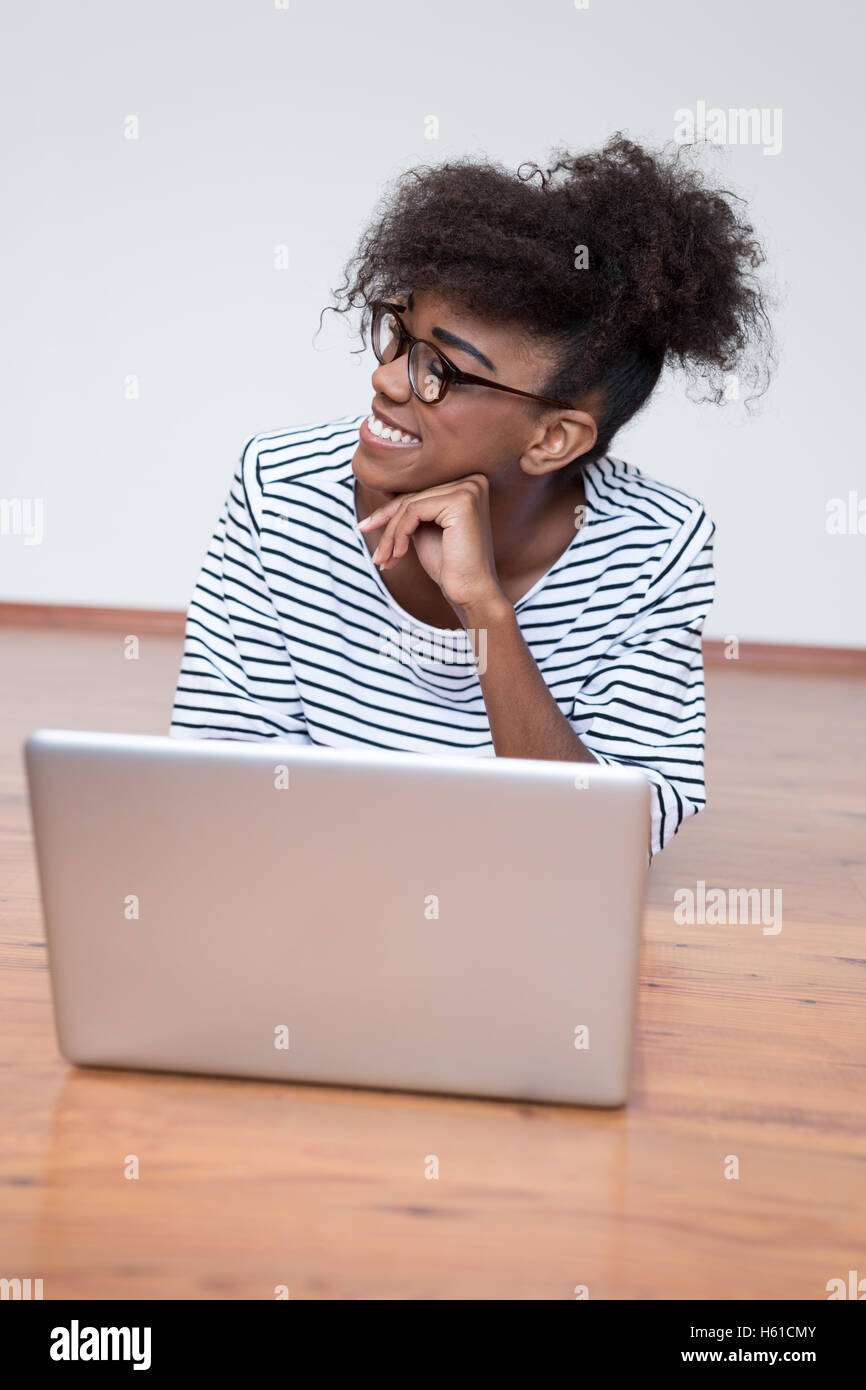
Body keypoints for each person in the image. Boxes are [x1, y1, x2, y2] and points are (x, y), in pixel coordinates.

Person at [169, 134, 772, 857]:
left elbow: (604, 846)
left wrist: (484, 611)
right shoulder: (281, 488)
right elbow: (219, 783)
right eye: (399, 336)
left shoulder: (654, 545)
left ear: (553, 439)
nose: (387, 381)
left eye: (442, 371)